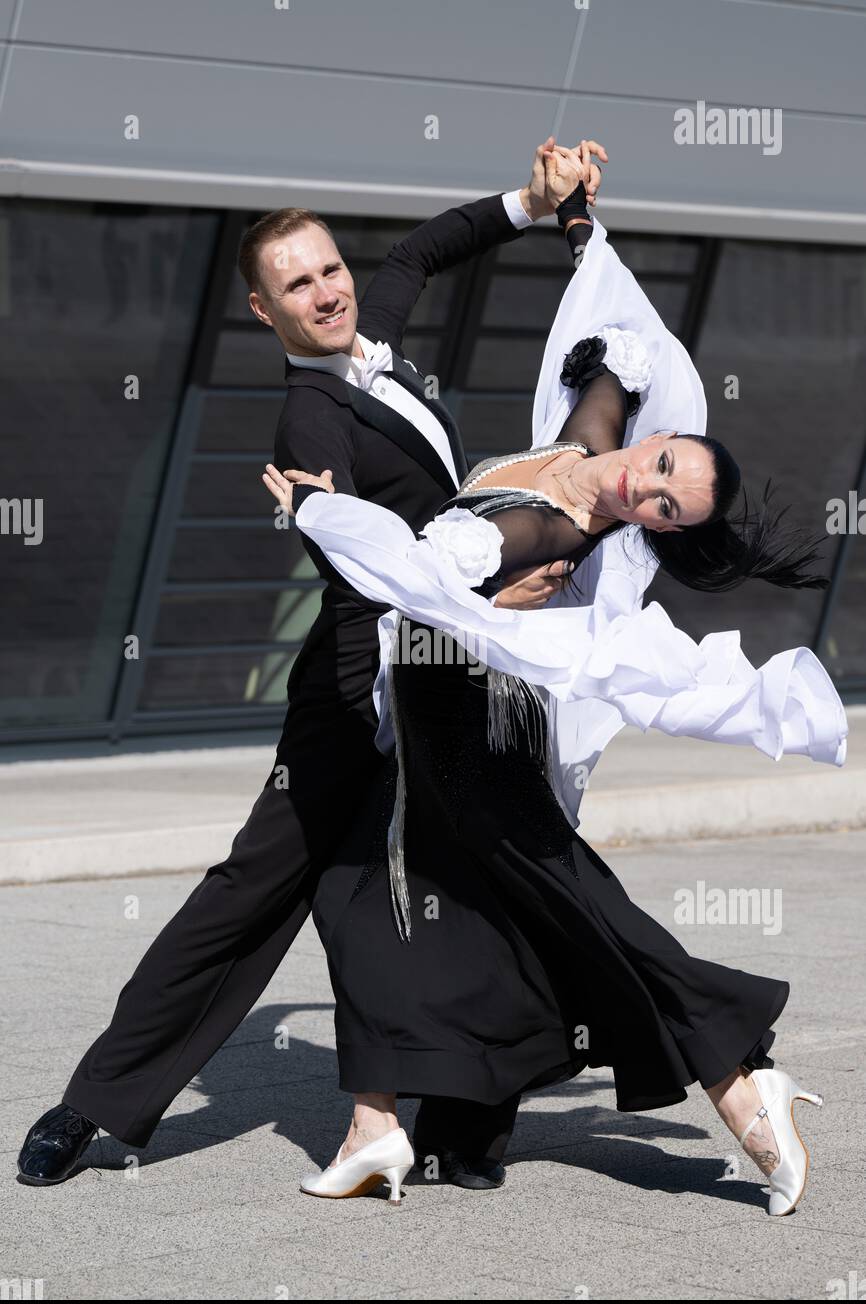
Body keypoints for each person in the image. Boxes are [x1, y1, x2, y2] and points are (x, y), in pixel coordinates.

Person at [260, 147, 845, 1214]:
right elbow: (609, 340)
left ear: (654, 530)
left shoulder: (554, 524)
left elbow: (422, 575)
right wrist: (570, 212)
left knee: (551, 898)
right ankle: (397, 1126)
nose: (647, 484)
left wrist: (314, 512)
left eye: (664, 506)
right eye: (664, 464)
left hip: (462, 718)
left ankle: (736, 1075)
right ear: (658, 435)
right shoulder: (591, 441)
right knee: (399, 900)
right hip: (449, 709)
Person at [16, 137, 607, 1191]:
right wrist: (361, 531)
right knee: (251, 894)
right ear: (263, 310)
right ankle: (95, 1104)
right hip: (355, 687)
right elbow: (350, 549)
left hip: (447, 666)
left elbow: (424, 249)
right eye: (296, 284)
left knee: (481, 877)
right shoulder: (310, 410)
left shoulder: (367, 338)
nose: (325, 292)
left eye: (328, 269)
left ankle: (471, 1123)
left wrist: (531, 199)